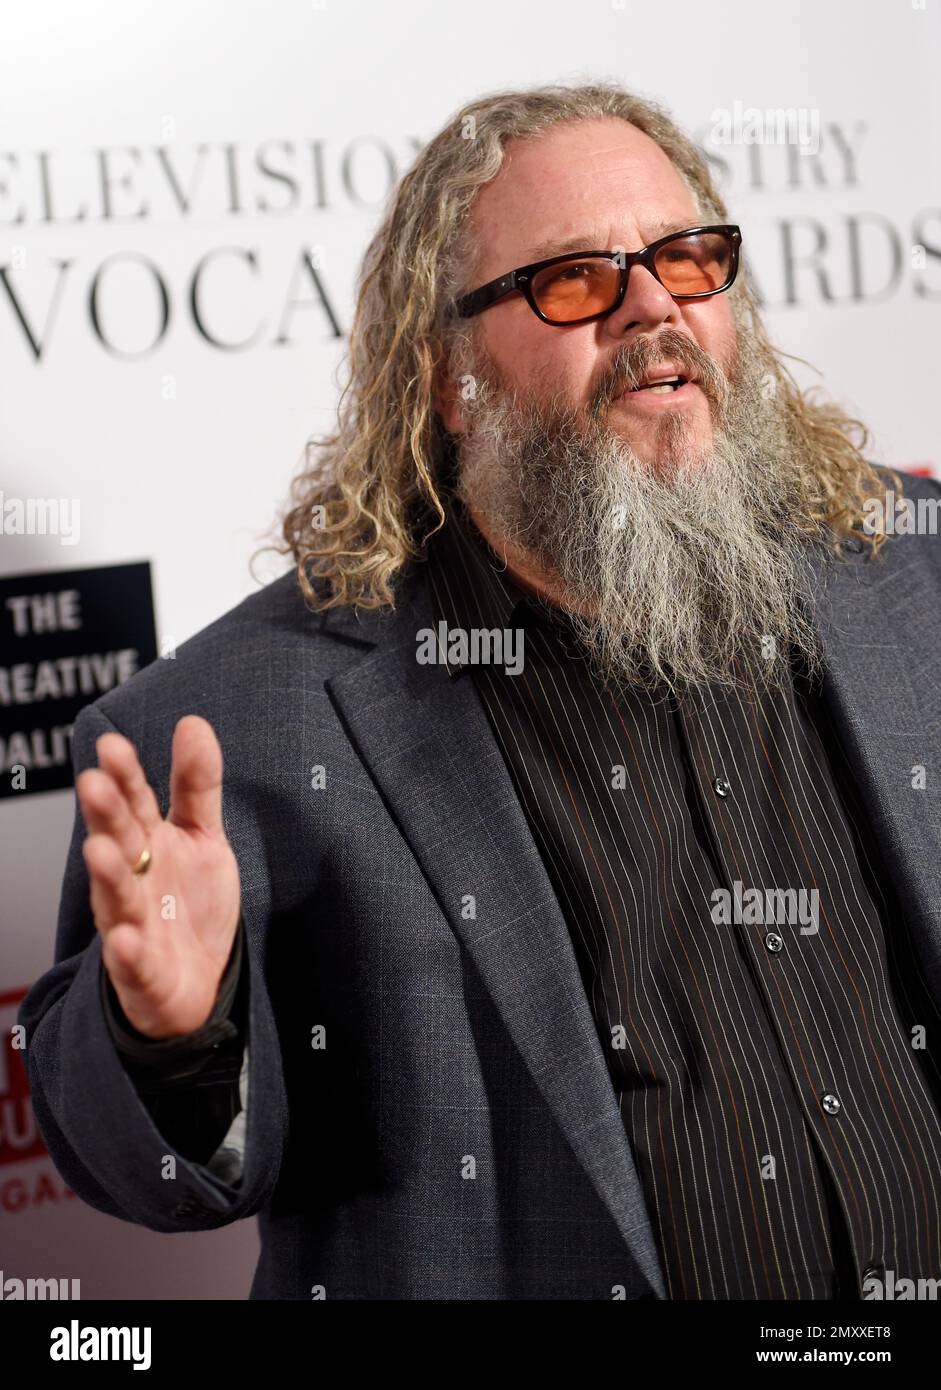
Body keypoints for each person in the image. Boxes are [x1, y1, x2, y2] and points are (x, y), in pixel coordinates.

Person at [19, 81, 941, 1301]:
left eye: (684, 258)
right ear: (448, 379)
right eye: (573, 280)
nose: (653, 307)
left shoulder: (909, 576)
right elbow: (140, 1168)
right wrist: (177, 1042)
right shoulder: (241, 720)